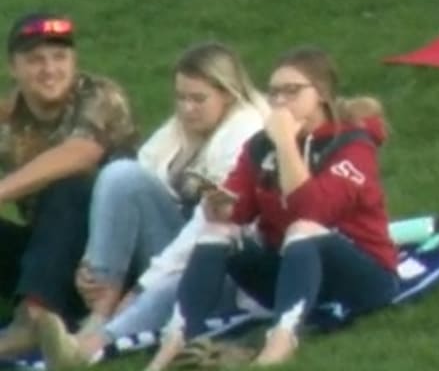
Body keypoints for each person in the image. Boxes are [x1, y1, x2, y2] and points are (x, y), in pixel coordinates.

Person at [148, 48, 397, 370]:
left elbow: (312, 210)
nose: (279, 101)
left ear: (321, 94)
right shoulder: (260, 146)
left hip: (363, 276)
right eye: (275, 92)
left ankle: (281, 339)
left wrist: (286, 145)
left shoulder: (352, 144)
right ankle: (177, 339)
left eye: (292, 91)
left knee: (303, 228)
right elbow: (237, 212)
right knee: (218, 234)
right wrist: (219, 206)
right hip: (291, 272)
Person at [34, 44, 267, 369]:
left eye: (198, 99)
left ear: (227, 95)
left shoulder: (247, 132)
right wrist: (92, 265)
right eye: (181, 97)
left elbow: (209, 227)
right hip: (172, 252)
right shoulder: (179, 129)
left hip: (229, 262)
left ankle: (89, 345)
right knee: (121, 176)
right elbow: (134, 185)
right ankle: (99, 306)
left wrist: (144, 285)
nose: (186, 109)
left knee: (173, 285)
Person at [0, 13, 137, 360]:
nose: (49, 69)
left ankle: (32, 322)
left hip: (113, 269)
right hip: (51, 259)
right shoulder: (7, 117)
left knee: (69, 186)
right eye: (35, 60)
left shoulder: (100, 96)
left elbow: (80, 154)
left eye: (59, 58)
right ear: (13, 68)